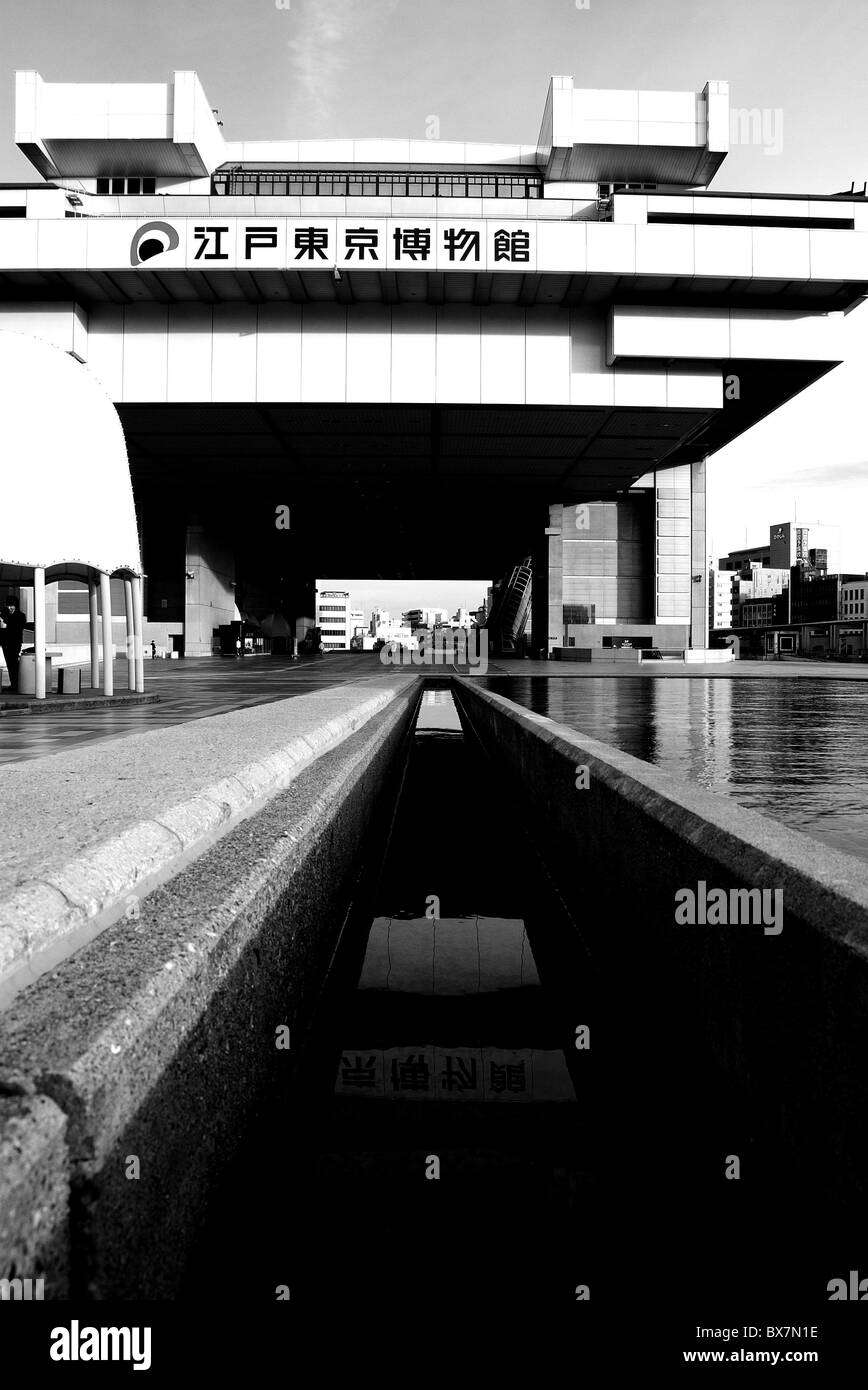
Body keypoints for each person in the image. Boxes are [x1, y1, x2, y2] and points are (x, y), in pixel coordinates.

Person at [0, 595, 27, 693]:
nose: (10, 608)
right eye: (8, 606)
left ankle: (16, 684)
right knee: (10, 664)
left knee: (14, 663)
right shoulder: (5, 614)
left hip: (15, 642)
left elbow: (15, 627)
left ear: (16, 606)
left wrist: (6, 622)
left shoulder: (20, 615)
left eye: (12, 606)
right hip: (5, 642)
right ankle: (14, 684)